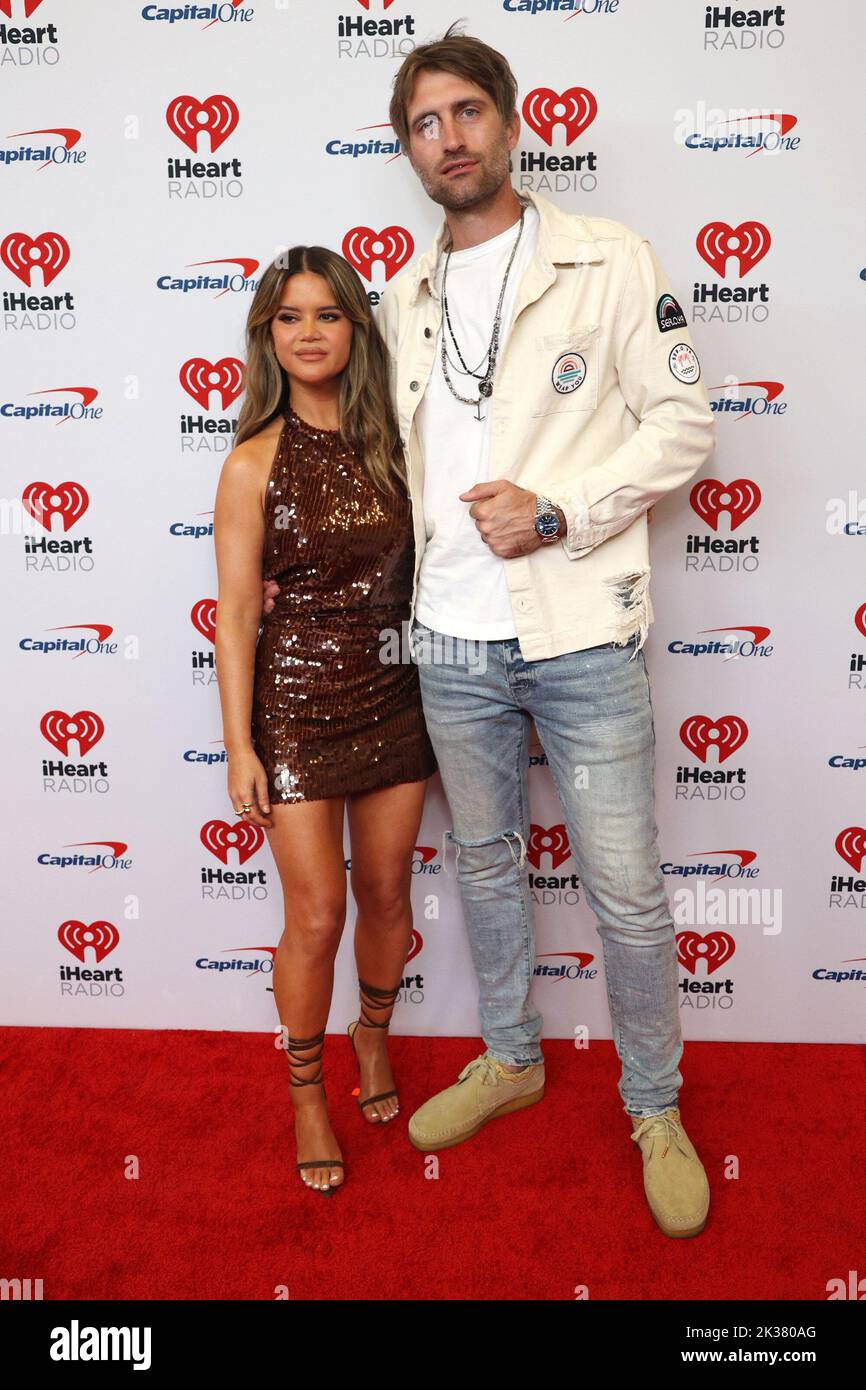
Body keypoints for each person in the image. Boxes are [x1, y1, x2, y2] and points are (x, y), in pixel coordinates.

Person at [214, 244, 437, 1196]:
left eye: (329, 314)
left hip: (397, 691)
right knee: (317, 914)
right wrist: (239, 744)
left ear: (357, 327)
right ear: (269, 335)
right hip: (297, 706)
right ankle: (308, 1095)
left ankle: (372, 1038)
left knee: (386, 896)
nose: (310, 333)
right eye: (290, 317)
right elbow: (233, 617)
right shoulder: (251, 462)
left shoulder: (401, 439)